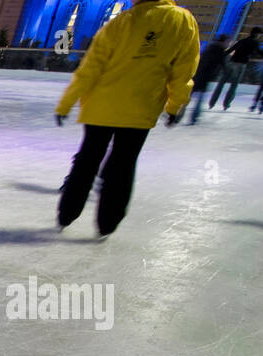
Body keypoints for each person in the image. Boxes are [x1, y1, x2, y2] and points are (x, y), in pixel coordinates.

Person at [54, 0, 199, 237]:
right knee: (123, 163)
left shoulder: (121, 22)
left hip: (101, 106)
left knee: (88, 158)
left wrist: (66, 104)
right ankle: (108, 222)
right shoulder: (183, 22)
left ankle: (67, 212)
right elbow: (184, 70)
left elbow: (90, 67)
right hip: (141, 108)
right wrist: (174, 106)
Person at [209, 27, 260, 111]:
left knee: (221, 83)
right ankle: (226, 104)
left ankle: (212, 102)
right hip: (241, 65)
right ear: (257, 34)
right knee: (233, 86)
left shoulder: (242, 41)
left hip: (231, 62)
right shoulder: (255, 42)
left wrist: (219, 57)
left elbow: (230, 50)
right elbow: (258, 52)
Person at [189, 35, 228, 123]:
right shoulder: (220, 51)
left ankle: (178, 113)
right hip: (206, 75)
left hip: (198, 72)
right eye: (227, 42)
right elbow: (223, 64)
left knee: (190, 94)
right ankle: (194, 117)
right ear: (224, 41)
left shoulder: (209, 47)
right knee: (200, 97)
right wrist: (226, 73)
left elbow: (200, 58)